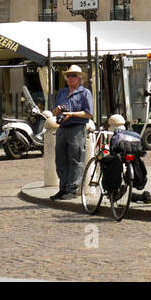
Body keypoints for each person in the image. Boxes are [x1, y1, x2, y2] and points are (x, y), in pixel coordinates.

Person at [50, 65, 94, 200]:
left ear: (80, 78)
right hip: (62, 128)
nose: (70, 78)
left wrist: (71, 114)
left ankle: (71, 190)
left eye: (73, 75)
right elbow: (53, 113)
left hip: (76, 128)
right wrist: (57, 110)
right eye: (68, 76)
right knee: (60, 159)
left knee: (75, 159)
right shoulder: (62, 92)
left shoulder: (85, 92)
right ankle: (62, 188)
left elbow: (89, 114)